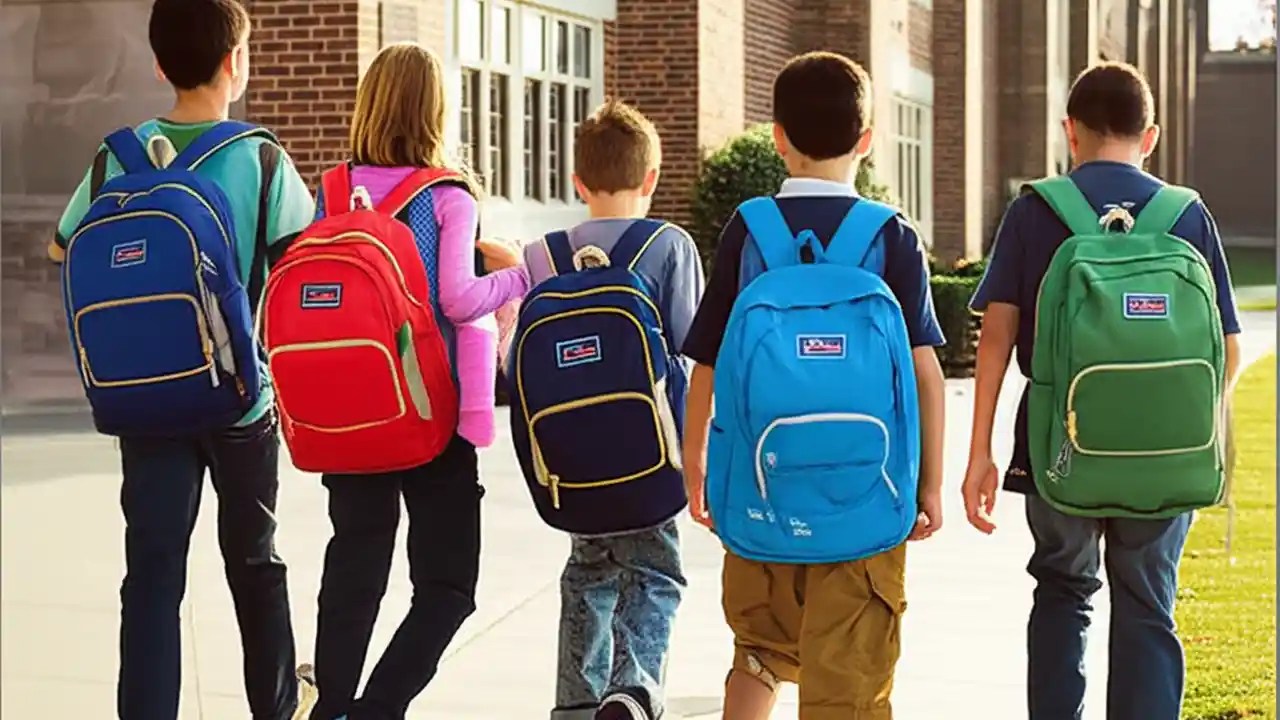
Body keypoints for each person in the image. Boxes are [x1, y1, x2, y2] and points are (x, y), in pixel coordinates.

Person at [47, 0, 315, 718]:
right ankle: (276, 707)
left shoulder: (115, 155)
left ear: (159, 64)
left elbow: (62, 244)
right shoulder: (262, 157)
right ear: (238, 63)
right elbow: (301, 263)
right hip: (240, 403)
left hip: (147, 400)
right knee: (254, 563)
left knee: (153, 577)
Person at [963, 61, 1241, 720]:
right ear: (1151, 136)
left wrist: (981, 451)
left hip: (1058, 443)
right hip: (1167, 452)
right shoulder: (1187, 214)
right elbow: (1228, 348)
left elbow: (996, 336)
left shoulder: (1036, 209)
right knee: (1147, 600)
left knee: (1063, 588)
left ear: (1071, 132)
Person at [680, 51, 947, 720]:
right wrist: (930, 485)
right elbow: (924, 372)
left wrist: (696, 469)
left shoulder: (749, 230)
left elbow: (707, 365)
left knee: (757, 652)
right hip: (867, 493)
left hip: (760, 489)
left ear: (776, 137)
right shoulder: (891, 236)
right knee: (851, 678)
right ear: (867, 140)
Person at [305, 42, 528, 720]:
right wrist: (520, 271)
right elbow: (458, 300)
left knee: (354, 567)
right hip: (432, 410)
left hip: (352, 407)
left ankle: (333, 707)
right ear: (437, 110)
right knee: (447, 584)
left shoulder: (335, 189)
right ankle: (379, 709)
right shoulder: (448, 198)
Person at [508, 99, 704, 720]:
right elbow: (695, 356)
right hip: (651, 458)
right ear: (651, 179)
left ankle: (576, 702)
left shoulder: (541, 256)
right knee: (655, 573)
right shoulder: (668, 246)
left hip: (572, 462)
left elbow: (522, 361)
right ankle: (635, 689)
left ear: (577, 181)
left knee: (587, 573)